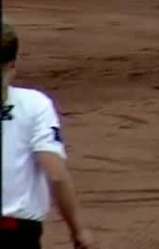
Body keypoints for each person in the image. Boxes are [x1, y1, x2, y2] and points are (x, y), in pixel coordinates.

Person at [1, 17, 95, 249]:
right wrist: (78, 230)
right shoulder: (35, 104)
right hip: (14, 232)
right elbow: (56, 174)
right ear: (12, 65)